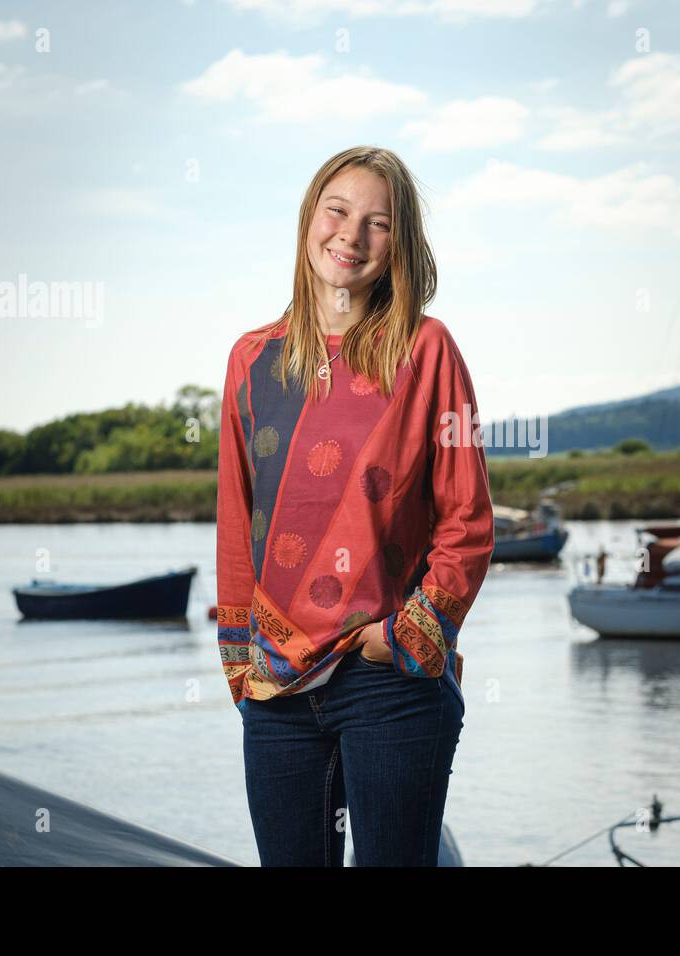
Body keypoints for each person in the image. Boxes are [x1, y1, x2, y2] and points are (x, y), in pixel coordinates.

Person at [215, 146, 494, 866]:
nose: (352, 235)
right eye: (338, 211)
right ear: (310, 218)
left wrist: (407, 634)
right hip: (277, 688)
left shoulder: (427, 350)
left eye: (379, 223)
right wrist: (242, 665)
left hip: (388, 682)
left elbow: (468, 519)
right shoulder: (251, 359)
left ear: (399, 247)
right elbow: (235, 519)